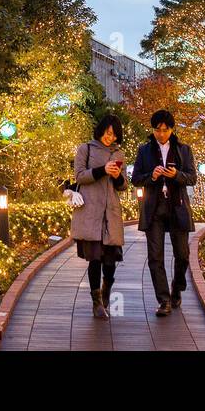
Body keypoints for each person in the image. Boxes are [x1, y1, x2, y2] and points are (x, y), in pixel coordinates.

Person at [131, 109, 198, 316]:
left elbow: (192, 178)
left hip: (177, 206)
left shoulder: (183, 149)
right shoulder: (145, 150)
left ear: (171, 129)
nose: (161, 134)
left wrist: (176, 174)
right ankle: (164, 300)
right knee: (155, 257)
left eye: (165, 130)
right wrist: (151, 175)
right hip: (154, 208)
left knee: (183, 255)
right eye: (157, 130)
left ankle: (177, 289)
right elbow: (135, 179)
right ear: (153, 130)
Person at [71, 114, 126, 319]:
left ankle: (106, 292)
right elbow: (79, 176)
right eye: (107, 132)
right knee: (95, 259)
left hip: (110, 213)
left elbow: (123, 185)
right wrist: (102, 170)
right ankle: (96, 303)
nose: (109, 137)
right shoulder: (86, 148)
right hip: (90, 212)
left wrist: (117, 175)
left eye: (113, 135)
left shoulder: (119, 153)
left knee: (110, 263)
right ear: (101, 129)